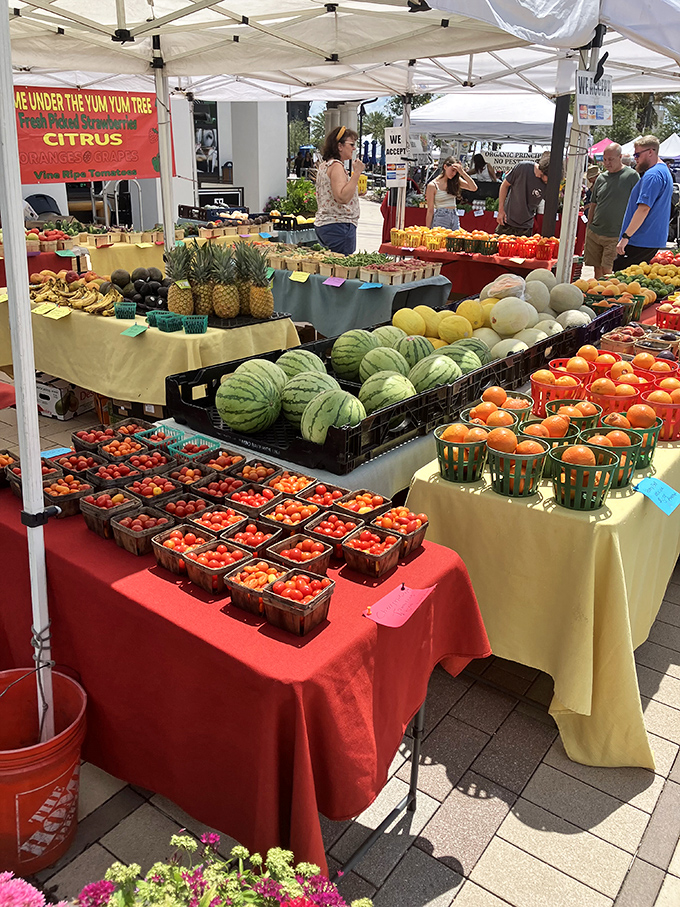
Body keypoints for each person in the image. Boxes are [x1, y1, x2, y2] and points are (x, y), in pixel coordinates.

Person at [614, 135, 674, 270]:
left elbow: (643, 209)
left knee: (624, 282)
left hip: (640, 239)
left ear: (651, 152)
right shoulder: (664, 171)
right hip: (649, 239)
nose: (635, 159)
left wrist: (625, 237)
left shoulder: (652, 175)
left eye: (637, 154)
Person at [584, 144, 639, 279]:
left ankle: (607, 297)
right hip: (595, 231)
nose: (607, 163)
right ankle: (597, 295)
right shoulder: (601, 178)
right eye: (605, 159)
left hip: (615, 233)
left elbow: (638, 204)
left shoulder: (632, 176)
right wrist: (589, 225)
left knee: (607, 269)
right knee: (595, 267)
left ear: (620, 157)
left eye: (611, 159)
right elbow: (594, 203)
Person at [314, 126, 365, 254]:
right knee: (341, 269)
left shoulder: (325, 165)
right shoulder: (337, 166)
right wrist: (357, 173)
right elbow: (341, 197)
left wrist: (354, 190)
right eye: (351, 144)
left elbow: (332, 192)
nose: (354, 148)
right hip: (340, 225)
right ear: (339, 146)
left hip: (327, 224)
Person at [496, 152, 550, 236]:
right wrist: (501, 210)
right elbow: (504, 185)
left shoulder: (548, 184)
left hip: (526, 226)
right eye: (542, 175)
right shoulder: (522, 167)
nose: (540, 177)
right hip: (507, 220)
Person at [425, 157, 477, 230]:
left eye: (456, 172)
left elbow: (473, 188)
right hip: (441, 216)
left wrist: (462, 172)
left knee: (455, 239)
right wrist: (428, 229)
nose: (454, 174)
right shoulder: (432, 185)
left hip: (454, 214)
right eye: (452, 170)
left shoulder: (455, 181)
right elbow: (430, 210)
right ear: (445, 167)